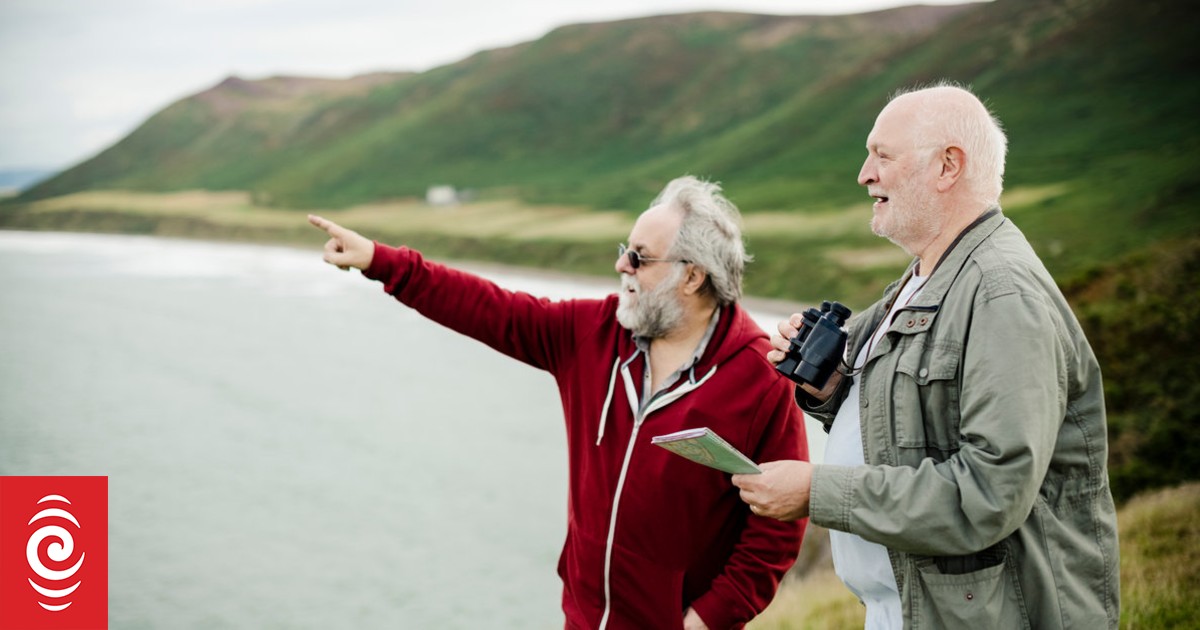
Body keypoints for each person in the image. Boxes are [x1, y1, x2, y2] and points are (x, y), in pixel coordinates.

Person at [308, 176, 808, 629]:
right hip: (583, 619)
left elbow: (777, 530)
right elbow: (489, 309)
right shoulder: (590, 334)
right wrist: (381, 262)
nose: (621, 265)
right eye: (623, 249)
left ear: (693, 276)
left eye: (639, 256)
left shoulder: (760, 378)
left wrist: (703, 621)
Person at [732, 84, 1120, 628]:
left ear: (947, 166)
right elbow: (915, 420)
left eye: (881, 156)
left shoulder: (1001, 293)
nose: (864, 174)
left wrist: (817, 491)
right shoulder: (923, 279)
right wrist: (833, 388)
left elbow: (989, 492)